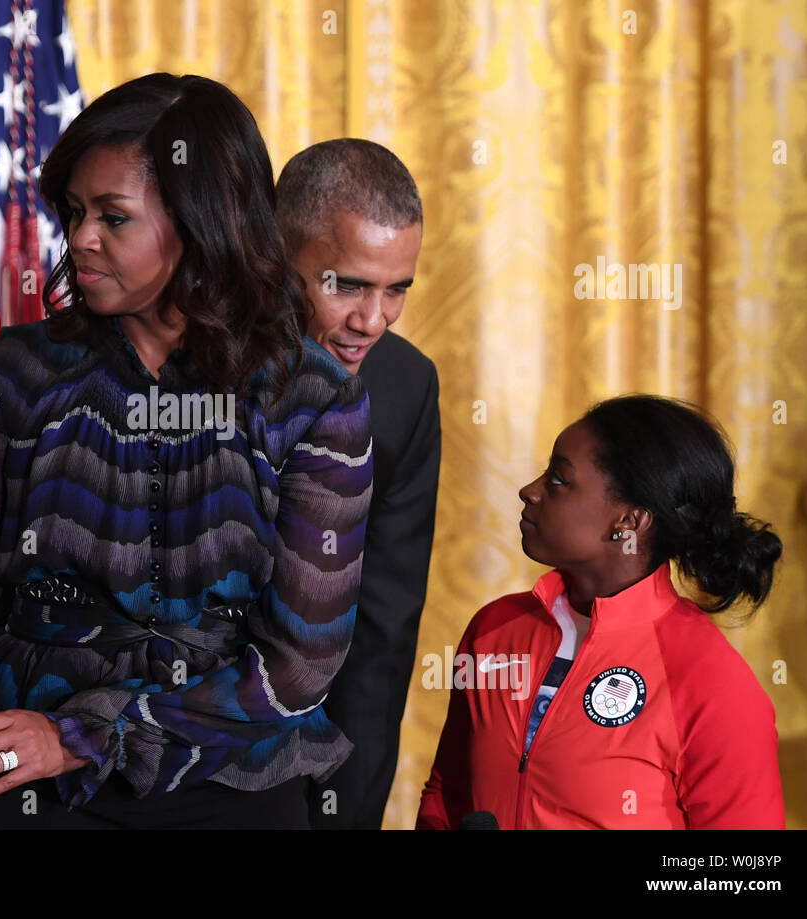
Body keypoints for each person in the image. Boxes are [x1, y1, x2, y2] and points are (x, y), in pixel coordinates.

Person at [0, 73, 374, 829]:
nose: (80, 240)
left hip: (230, 770)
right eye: (74, 213)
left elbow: (300, 666)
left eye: (113, 217)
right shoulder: (16, 369)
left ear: (205, 223)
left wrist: (83, 734)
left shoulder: (315, 394)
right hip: (17, 757)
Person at [417, 395, 785, 829]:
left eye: (558, 479)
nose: (529, 490)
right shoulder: (494, 630)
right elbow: (448, 791)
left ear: (629, 522)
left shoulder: (711, 680)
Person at [275, 139, 440, 829]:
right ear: (276, 253)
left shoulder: (403, 386)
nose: (373, 320)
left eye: (396, 288)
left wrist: (348, 816)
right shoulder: (178, 359)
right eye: (346, 284)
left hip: (302, 768)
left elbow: (381, 633)